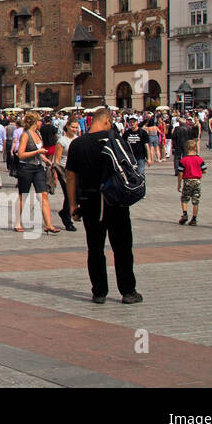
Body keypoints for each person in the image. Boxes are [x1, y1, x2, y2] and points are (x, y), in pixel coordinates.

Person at [66, 107, 140, 304]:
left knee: (95, 248)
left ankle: (99, 292)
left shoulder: (77, 145)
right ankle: (128, 291)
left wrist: (72, 204)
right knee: (122, 247)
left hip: (90, 202)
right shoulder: (114, 142)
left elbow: (71, 176)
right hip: (115, 200)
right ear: (107, 121)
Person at [14, 111, 60, 234]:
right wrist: (37, 153)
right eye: (40, 121)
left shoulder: (38, 133)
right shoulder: (26, 135)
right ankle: (18, 222)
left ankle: (48, 225)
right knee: (23, 196)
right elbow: (21, 154)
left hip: (38, 168)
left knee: (43, 194)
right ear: (35, 121)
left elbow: (40, 152)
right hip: (26, 168)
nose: (42, 123)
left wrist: (47, 161)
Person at [52, 118, 78, 231]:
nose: (74, 129)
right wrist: (55, 174)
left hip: (76, 170)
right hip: (64, 170)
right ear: (67, 126)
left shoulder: (77, 140)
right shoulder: (61, 141)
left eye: (76, 127)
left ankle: (64, 212)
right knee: (69, 194)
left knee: (75, 194)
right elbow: (56, 160)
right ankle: (67, 220)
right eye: (73, 127)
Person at [176, 135, 205, 226]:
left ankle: (184, 214)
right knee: (195, 200)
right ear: (195, 148)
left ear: (186, 148)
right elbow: (204, 170)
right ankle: (194, 218)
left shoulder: (183, 160)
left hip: (187, 180)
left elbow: (180, 173)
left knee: (184, 198)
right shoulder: (199, 159)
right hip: (197, 180)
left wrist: (179, 184)